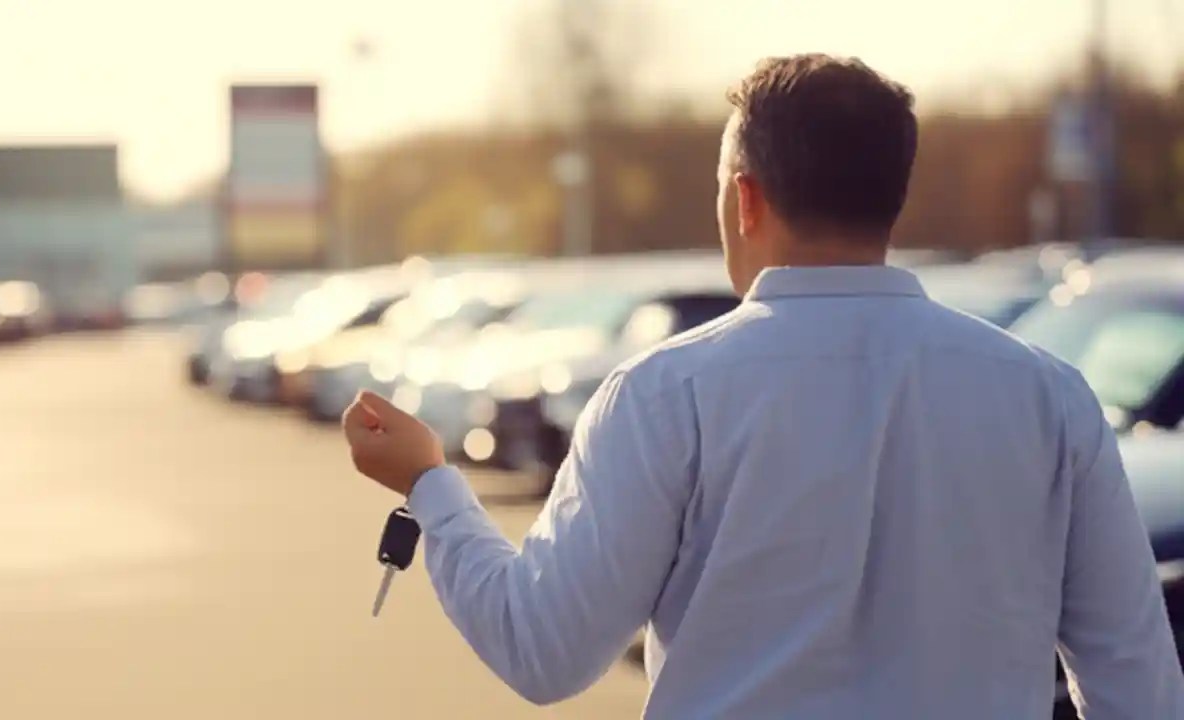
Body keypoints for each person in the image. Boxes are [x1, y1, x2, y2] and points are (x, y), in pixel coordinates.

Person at [342, 54, 1184, 718]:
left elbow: (543, 649)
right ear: (891, 195)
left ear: (745, 199)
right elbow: (1138, 690)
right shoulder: (1048, 396)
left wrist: (431, 484)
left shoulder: (665, 394)